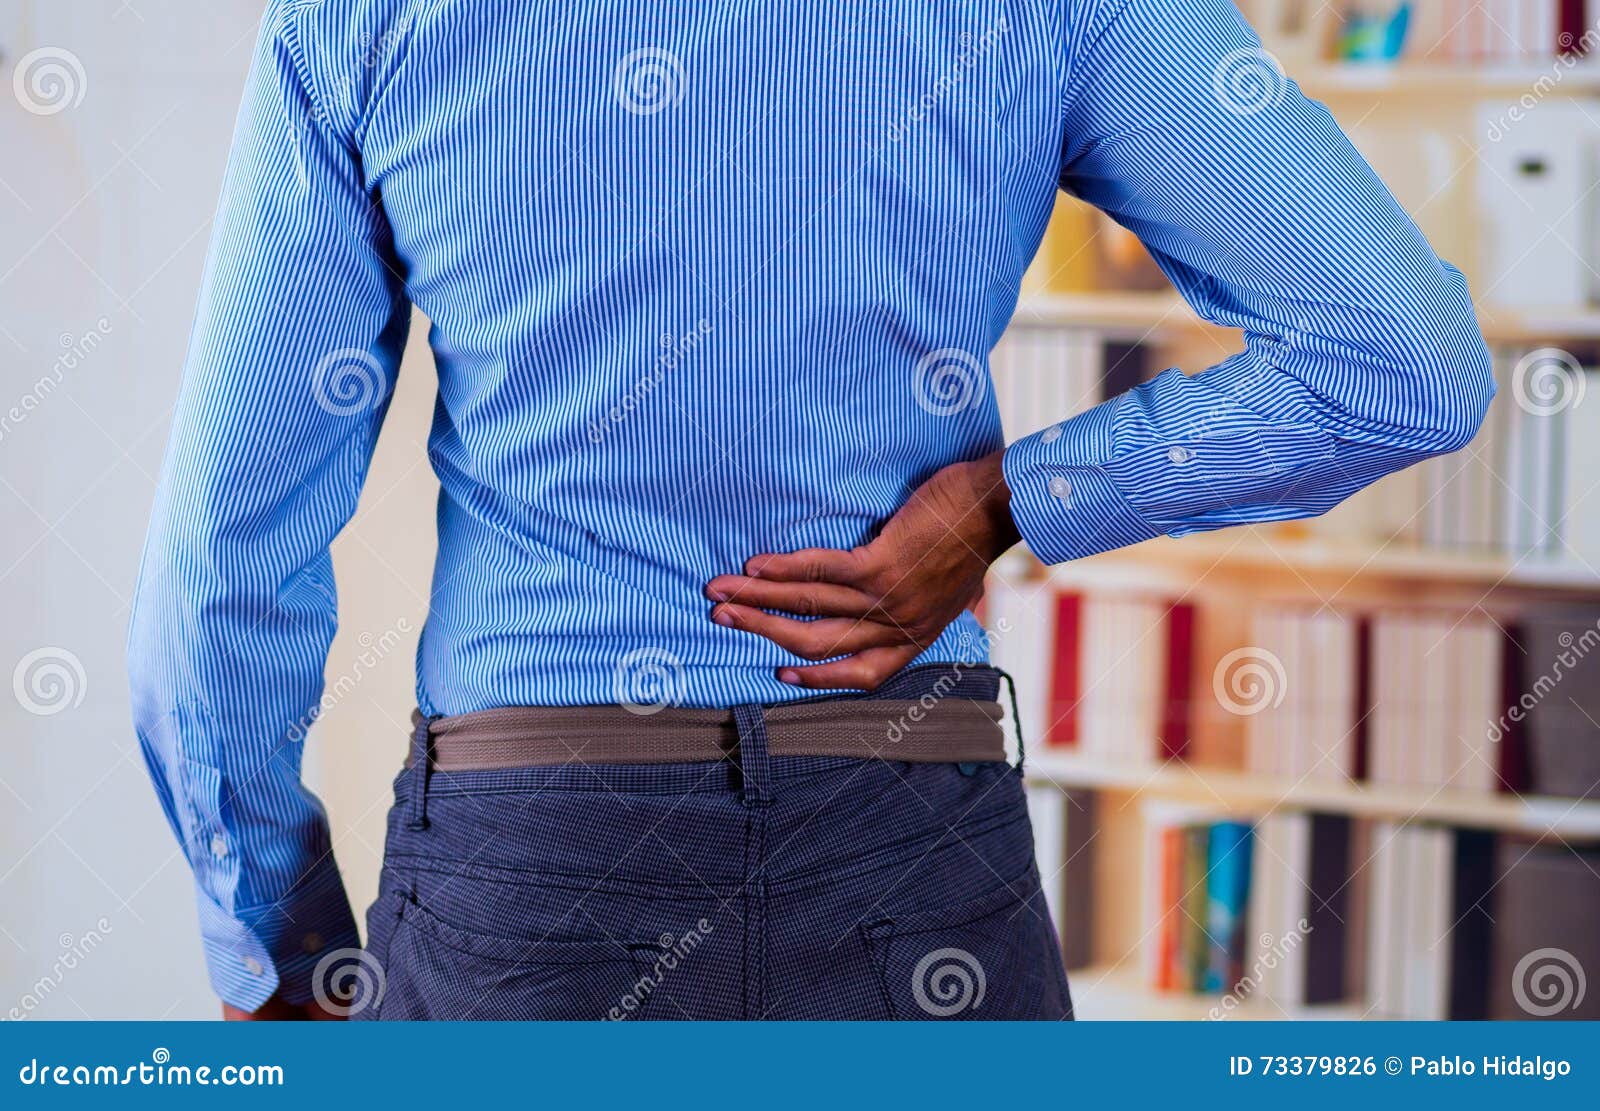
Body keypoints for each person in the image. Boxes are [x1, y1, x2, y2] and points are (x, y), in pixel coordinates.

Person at [128, 0, 1492, 1020]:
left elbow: (219, 555)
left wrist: (281, 960)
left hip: (532, 870)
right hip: (910, 845)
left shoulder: (364, 17)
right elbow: (1405, 360)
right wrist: (1005, 503)